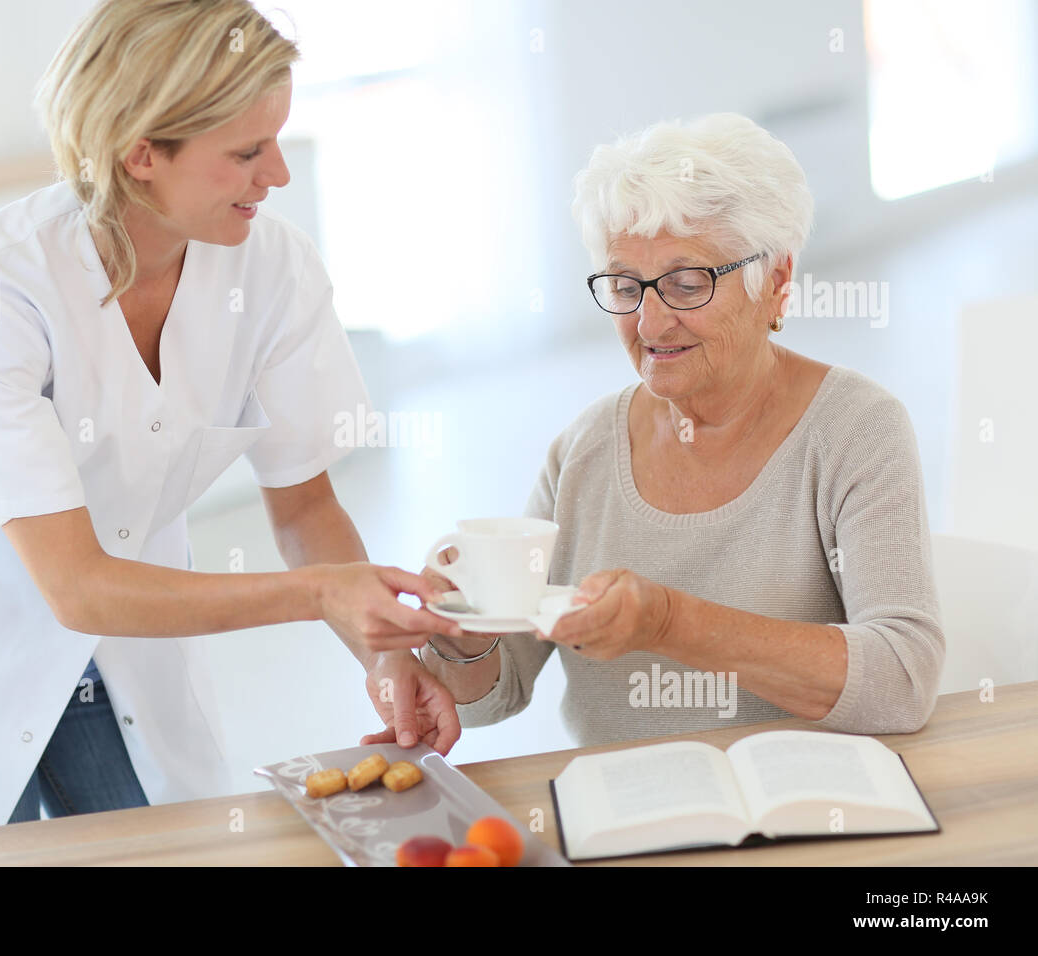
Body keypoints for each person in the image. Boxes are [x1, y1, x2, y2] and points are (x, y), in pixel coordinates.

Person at [0, 0, 464, 844]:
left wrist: (384, 654)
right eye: (248, 152)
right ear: (143, 153)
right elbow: (75, 585)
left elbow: (305, 507)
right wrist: (319, 595)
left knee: (152, 852)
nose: (279, 174)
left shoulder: (274, 269)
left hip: (132, 635)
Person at [383, 113, 945, 749]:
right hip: (621, 816)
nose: (650, 322)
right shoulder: (584, 450)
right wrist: (464, 635)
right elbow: (499, 690)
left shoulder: (855, 429)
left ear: (776, 281)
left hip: (805, 812)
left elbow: (902, 681)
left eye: (686, 283)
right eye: (627, 285)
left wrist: (669, 622)